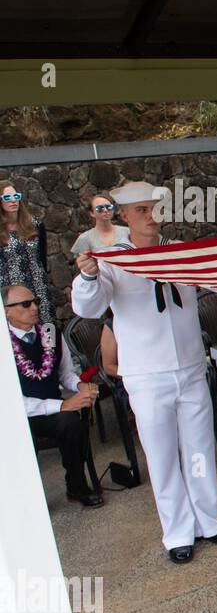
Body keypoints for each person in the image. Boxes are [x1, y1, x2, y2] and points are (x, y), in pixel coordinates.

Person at [72, 181, 217, 563]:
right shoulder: (113, 259)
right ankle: (177, 531)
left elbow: (214, 280)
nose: (151, 217)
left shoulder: (180, 254)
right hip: (147, 374)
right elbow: (88, 307)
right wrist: (88, 276)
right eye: (142, 211)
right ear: (125, 217)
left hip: (190, 365)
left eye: (157, 209)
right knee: (161, 456)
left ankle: (207, 521)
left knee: (198, 450)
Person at [6, 284, 102, 507]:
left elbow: (64, 373)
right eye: (26, 304)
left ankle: (76, 485)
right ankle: (28, 502)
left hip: (53, 409)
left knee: (72, 423)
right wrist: (62, 405)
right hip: (17, 415)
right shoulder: (3, 345)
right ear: (6, 311)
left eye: (36, 302)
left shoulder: (49, 333)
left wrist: (79, 386)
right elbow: (11, 401)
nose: (34, 308)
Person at [1, 183, 53, 325]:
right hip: (10, 288)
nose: (13, 200)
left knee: (46, 328)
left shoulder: (35, 224)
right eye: (7, 197)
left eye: (16, 196)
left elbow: (42, 256)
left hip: (37, 285)